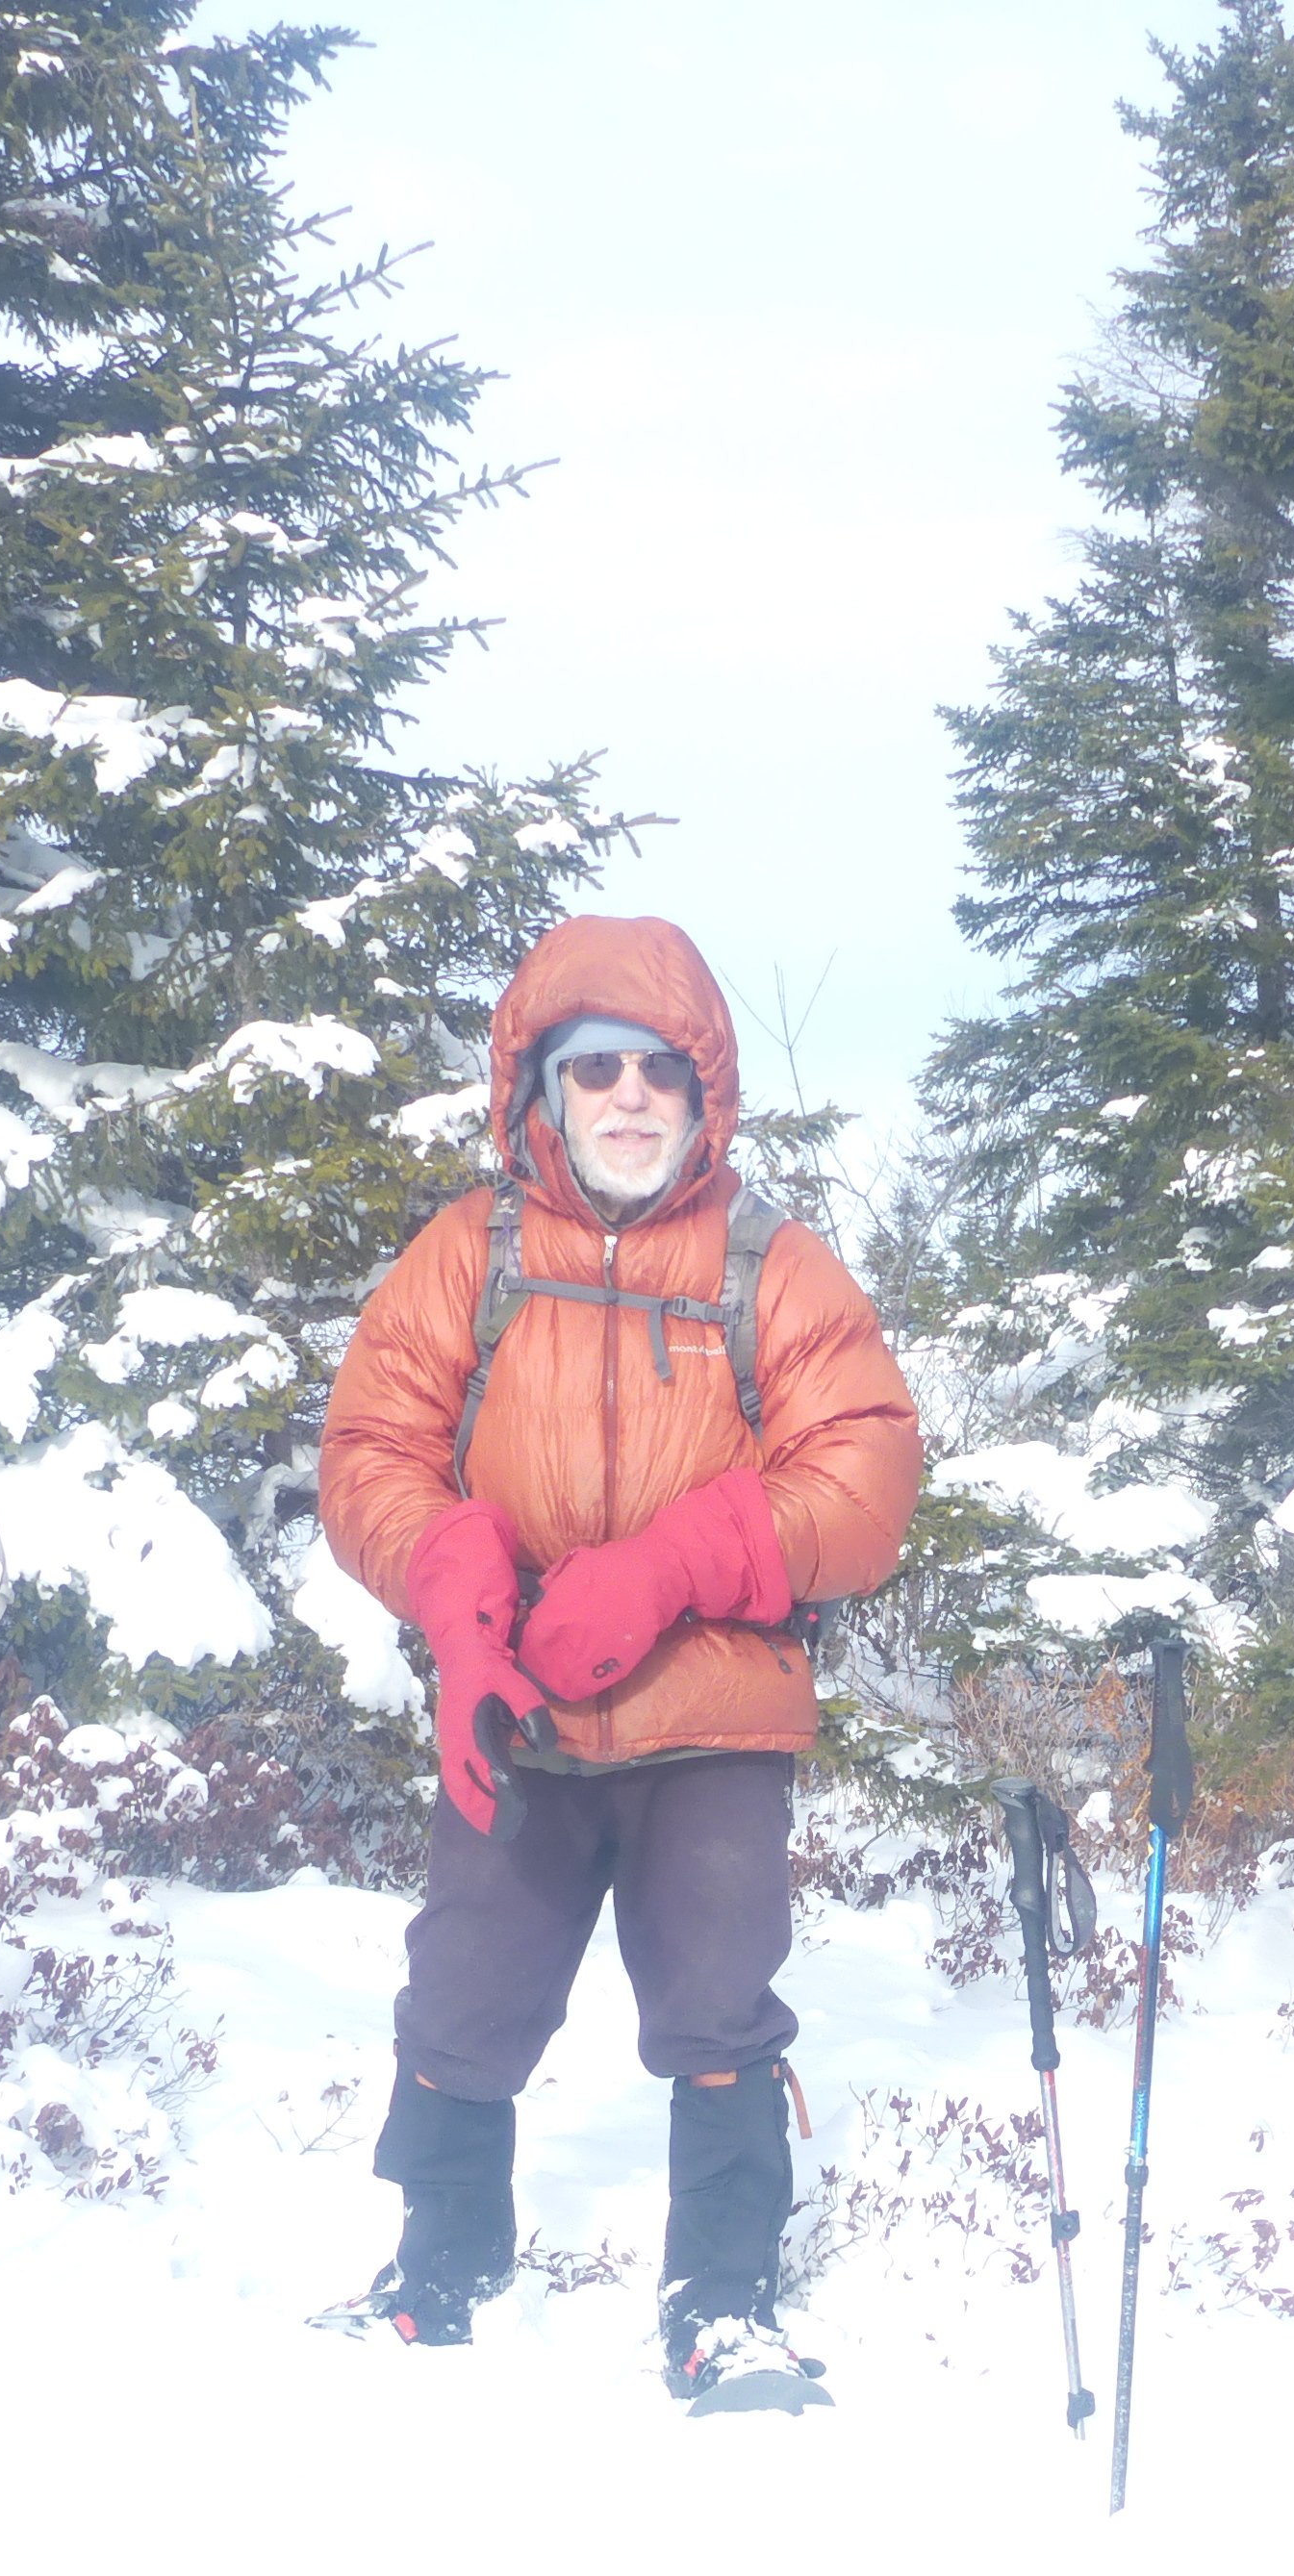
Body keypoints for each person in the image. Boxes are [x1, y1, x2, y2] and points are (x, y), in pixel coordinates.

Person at [314, 917, 923, 2410]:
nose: (631, 1097)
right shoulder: (468, 1256)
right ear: (545, 1088)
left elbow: (865, 1478)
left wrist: (668, 1567)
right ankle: (443, 2265)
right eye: (597, 1070)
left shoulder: (774, 1267)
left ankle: (722, 2301)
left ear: (705, 1088)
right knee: (465, 1989)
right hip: (513, 1701)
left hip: (708, 1707)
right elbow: (372, 1452)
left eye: (660, 1069)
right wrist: (458, 1593)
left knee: (717, 2004)